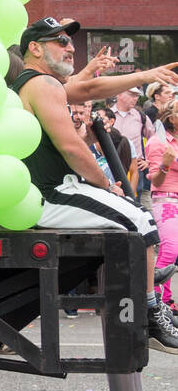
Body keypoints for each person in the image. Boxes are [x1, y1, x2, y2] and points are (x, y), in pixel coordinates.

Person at [11, 18, 178, 352]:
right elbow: (72, 146)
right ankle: (148, 313)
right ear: (35, 48)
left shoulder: (38, 82)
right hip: (51, 193)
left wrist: (145, 76)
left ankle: (144, 284)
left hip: (55, 189)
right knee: (140, 220)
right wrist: (105, 184)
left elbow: (90, 90)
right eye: (61, 41)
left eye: (70, 42)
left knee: (136, 218)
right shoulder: (41, 85)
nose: (71, 47)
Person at [145, 107, 178, 294]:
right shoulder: (158, 142)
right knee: (170, 250)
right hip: (167, 201)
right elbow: (156, 181)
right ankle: (159, 299)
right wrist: (165, 165)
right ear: (172, 119)